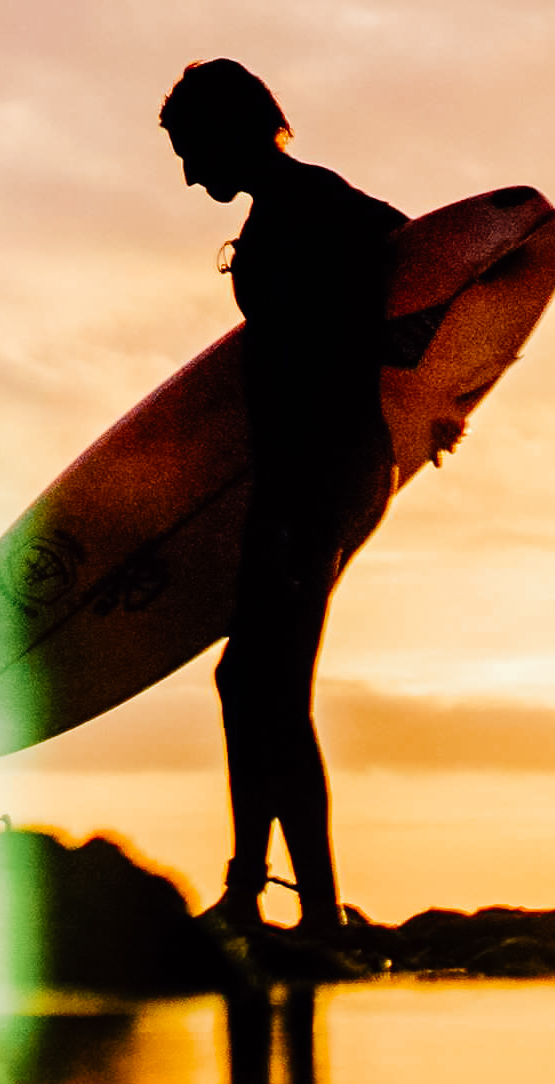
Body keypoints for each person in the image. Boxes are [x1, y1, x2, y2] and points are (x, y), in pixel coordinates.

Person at [161, 60, 406, 933]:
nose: (189, 173)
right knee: (248, 680)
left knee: (270, 683)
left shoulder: (315, 204)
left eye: (192, 149)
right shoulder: (287, 208)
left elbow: (418, 278)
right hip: (298, 471)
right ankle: (258, 889)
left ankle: (310, 911)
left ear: (233, 129)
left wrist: (427, 398)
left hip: (320, 471)